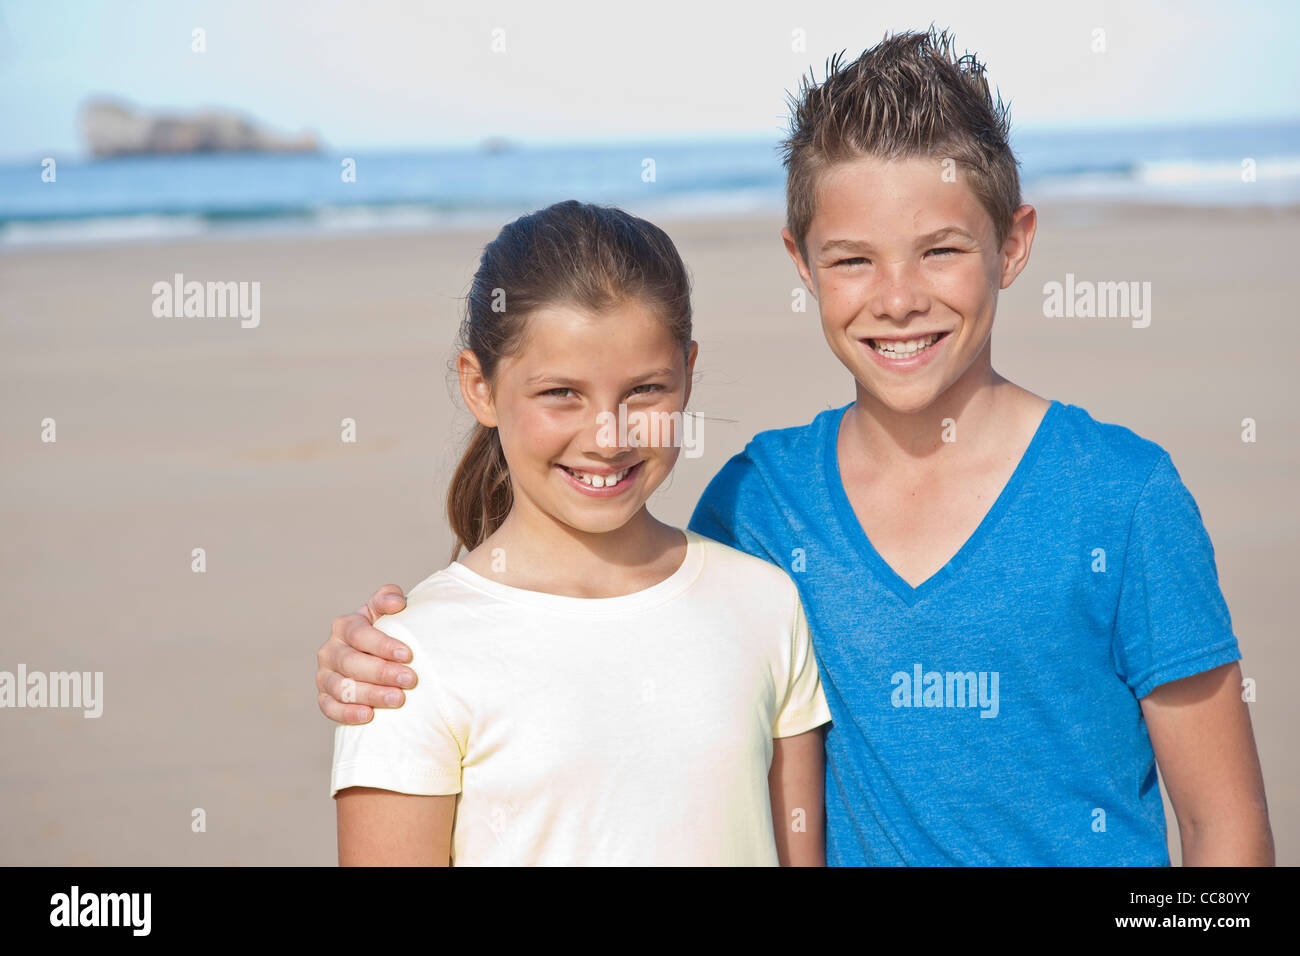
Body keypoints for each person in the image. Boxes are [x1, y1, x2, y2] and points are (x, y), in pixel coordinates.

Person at [319, 28, 1273, 865]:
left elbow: (1224, 829)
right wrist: (388, 652)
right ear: (800, 263)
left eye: (940, 248)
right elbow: (610, 627)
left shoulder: (1123, 495)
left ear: (1013, 245)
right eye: (853, 258)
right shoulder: (757, 505)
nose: (897, 297)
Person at [331, 199, 831, 865]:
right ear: (479, 387)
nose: (608, 436)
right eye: (561, 393)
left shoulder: (766, 605)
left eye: (645, 389)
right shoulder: (405, 661)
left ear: (688, 372)